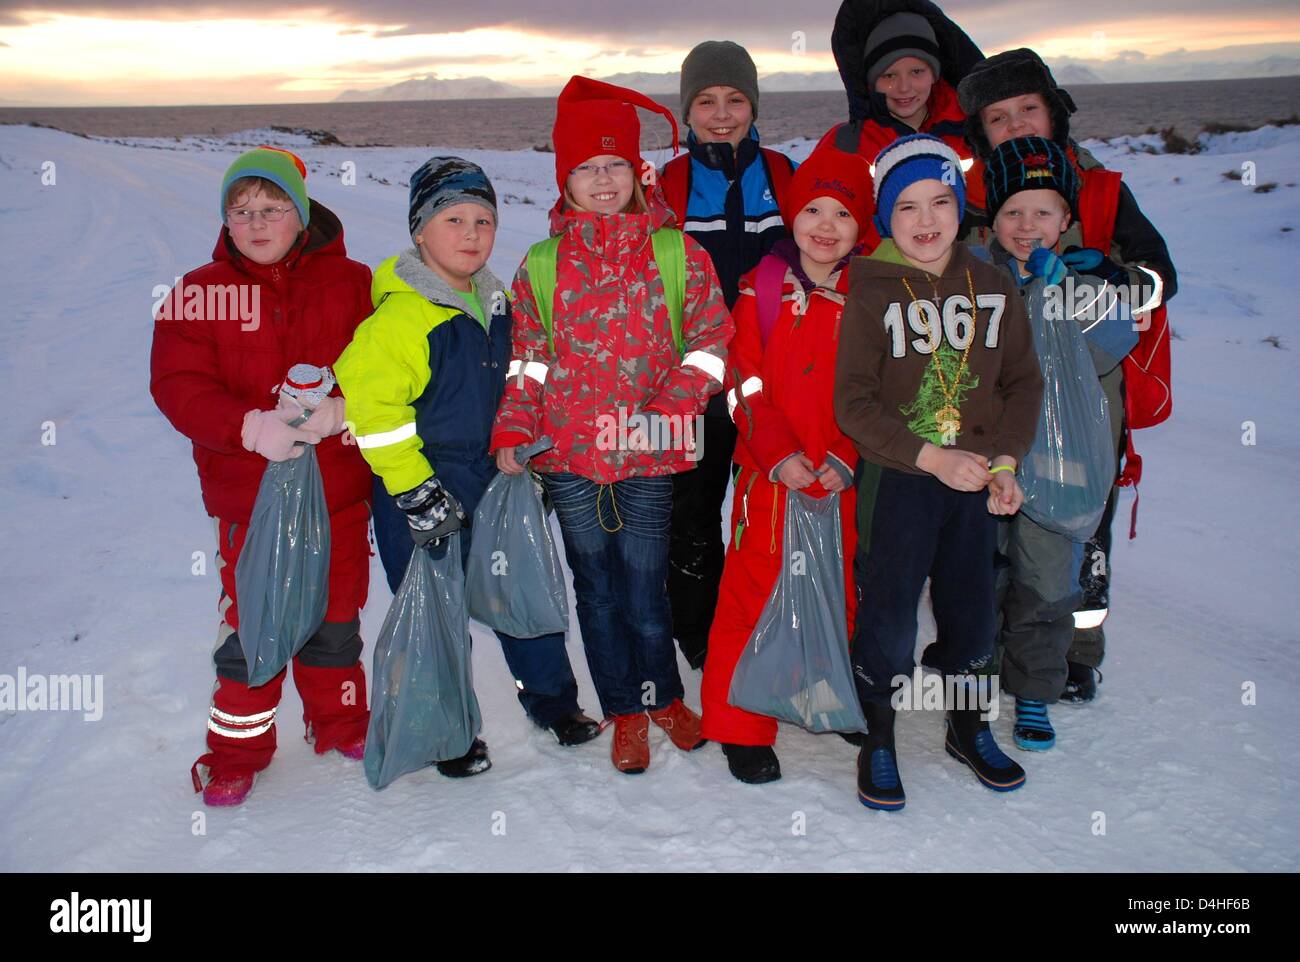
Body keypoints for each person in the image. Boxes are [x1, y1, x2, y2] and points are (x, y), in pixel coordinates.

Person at [491, 77, 733, 774]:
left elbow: (712, 344)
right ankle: (625, 708)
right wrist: (514, 428)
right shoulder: (541, 264)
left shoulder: (677, 253)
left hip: (651, 454)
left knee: (647, 590)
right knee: (596, 593)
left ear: (638, 171)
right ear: (565, 180)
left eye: (615, 165)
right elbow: (527, 360)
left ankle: (664, 697)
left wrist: (664, 412)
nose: (602, 180)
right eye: (586, 168)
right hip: (570, 461)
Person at [334, 157, 601, 779]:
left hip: (496, 477)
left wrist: (525, 449)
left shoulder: (500, 303)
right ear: (419, 231)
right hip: (424, 485)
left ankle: (553, 703)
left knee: (520, 589)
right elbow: (374, 413)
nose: (472, 234)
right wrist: (414, 488)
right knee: (437, 612)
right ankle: (447, 733)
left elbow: (523, 382)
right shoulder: (400, 318)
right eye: (453, 220)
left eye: (484, 220)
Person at [151, 146, 373, 807]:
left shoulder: (353, 283)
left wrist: (347, 409)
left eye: (273, 208)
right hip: (248, 499)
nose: (256, 222)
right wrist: (247, 427)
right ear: (225, 219)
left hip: (337, 493)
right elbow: (177, 384)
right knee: (254, 624)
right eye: (241, 210)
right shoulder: (198, 293)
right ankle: (237, 753)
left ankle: (340, 722)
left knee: (336, 615)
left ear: (301, 215)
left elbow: (385, 367)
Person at [958, 48, 1178, 701]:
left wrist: (1112, 276)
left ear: (1054, 111)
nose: (1016, 124)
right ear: (981, 131)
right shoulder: (975, 197)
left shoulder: (1102, 189)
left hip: (1088, 397)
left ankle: (1076, 649)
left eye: (1028, 108)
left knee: (1082, 524)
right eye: (998, 117)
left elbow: (1161, 280)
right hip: (1002, 405)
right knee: (999, 527)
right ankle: (1001, 648)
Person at [833, 134, 1043, 810]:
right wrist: (930, 457)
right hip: (901, 481)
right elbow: (853, 404)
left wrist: (1005, 463)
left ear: (961, 208)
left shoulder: (994, 283)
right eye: (907, 207)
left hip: (976, 483)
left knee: (972, 613)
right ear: (886, 218)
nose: (926, 220)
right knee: (890, 616)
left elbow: (1022, 383)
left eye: (940, 202)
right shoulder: (869, 292)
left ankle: (967, 724)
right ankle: (879, 733)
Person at [700, 146, 871, 783]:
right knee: (752, 593)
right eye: (813, 210)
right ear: (792, 215)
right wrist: (776, 455)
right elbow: (741, 381)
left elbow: (880, 390)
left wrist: (847, 456)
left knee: (835, 588)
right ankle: (739, 723)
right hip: (769, 479)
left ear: (862, 226)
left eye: (843, 214)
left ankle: (820, 691)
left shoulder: (872, 294)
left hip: (839, 478)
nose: (826, 226)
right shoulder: (761, 288)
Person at [975, 135, 1138, 750]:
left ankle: (1034, 691)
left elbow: (1110, 346)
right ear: (992, 219)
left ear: (1066, 219)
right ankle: (983, 673)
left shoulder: (1087, 280)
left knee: (1044, 584)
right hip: (984, 458)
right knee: (981, 575)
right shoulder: (972, 272)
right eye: (1013, 211)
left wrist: (1067, 289)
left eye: (1043, 212)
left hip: (1057, 461)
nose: (1027, 226)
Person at [657, 40, 797, 669]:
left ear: (754, 106)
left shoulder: (785, 175)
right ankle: (701, 635)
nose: (721, 114)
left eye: (735, 99)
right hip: (696, 386)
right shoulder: (669, 185)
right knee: (691, 515)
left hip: (774, 380)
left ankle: (766, 622)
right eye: (706, 101)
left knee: (767, 509)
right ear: (686, 111)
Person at [818, 0, 986, 250]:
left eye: (917, 72)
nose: (904, 87)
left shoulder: (976, 135)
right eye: (889, 75)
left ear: (935, 74)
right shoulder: (845, 144)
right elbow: (819, 221)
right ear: (871, 82)